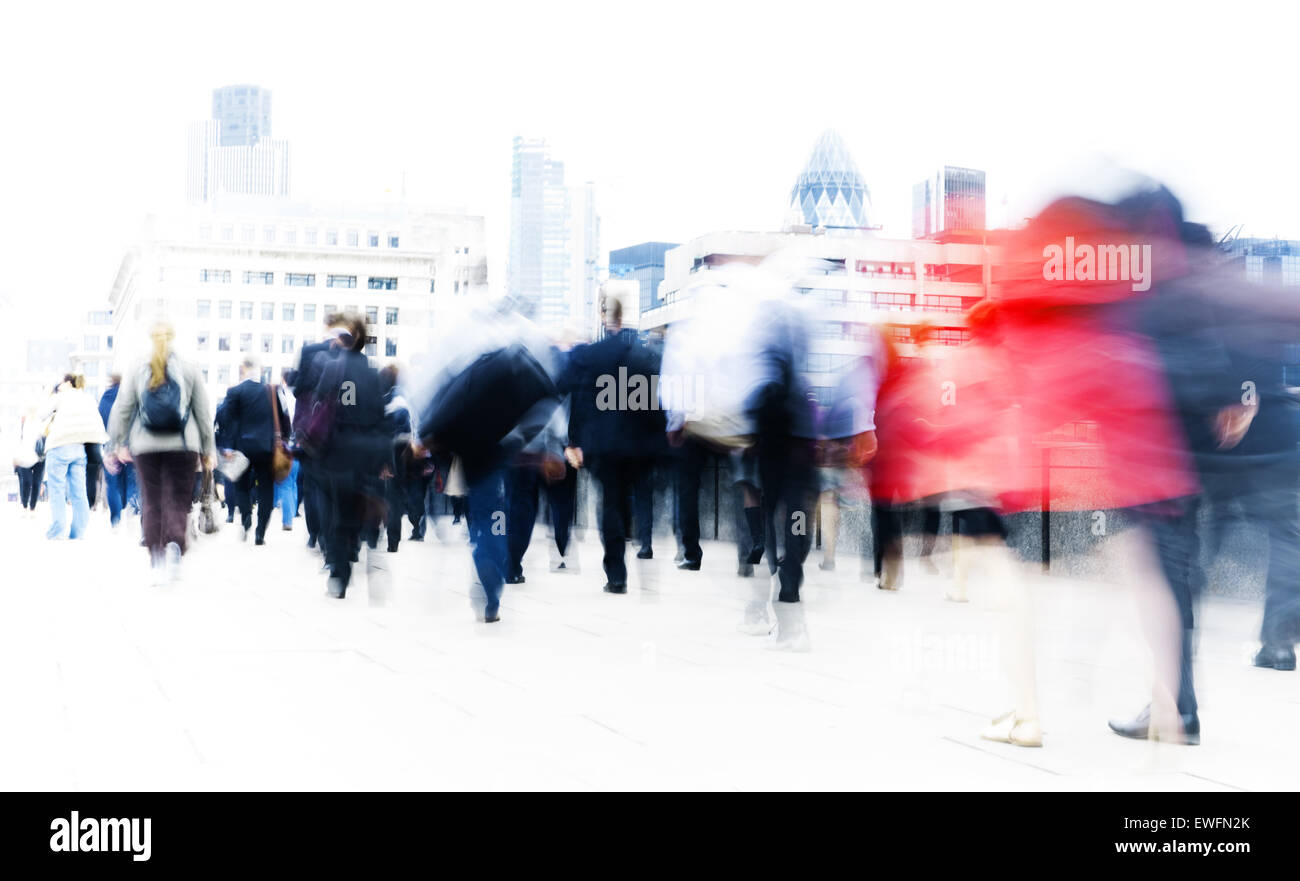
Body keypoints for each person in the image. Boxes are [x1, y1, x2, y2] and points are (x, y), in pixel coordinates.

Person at [563, 289, 667, 594]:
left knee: (611, 504)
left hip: (604, 446)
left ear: (604, 316)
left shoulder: (592, 356)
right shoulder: (644, 355)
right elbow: (652, 404)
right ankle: (640, 543)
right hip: (637, 446)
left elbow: (579, 400)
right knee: (635, 499)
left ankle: (617, 575)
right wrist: (658, 443)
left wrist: (574, 440)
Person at [108, 321, 215, 582]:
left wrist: (115, 445)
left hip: (146, 446)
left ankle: (156, 557)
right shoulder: (189, 368)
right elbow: (203, 412)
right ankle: (176, 544)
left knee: (152, 500)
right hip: (183, 444)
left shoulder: (137, 367)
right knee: (177, 500)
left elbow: (123, 407)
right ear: (173, 337)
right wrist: (207, 449)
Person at [312, 314, 388, 599]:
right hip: (368, 453)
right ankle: (359, 544)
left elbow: (339, 405)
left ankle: (340, 573)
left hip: (341, 451)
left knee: (338, 512)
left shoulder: (336, 368)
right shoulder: (373, 373)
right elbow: (382, 419)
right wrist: (384, 458)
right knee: (354, 507)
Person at [289, 312, 350, 552]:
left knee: (312, 482)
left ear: (326, 326)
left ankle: (315, 533)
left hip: (310, 426)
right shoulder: (353, 357)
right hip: (339, 428)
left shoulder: (309, 351)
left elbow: (298, 389)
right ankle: (332, 535)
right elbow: (350, 397)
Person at [217, 358, 289, 545]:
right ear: (260, 370)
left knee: (241, 486)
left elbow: (226, 420)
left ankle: (246, 518)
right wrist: (284, 440)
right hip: (266, 447)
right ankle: (260, 533)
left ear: (243, 371)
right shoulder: (273, 391)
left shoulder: (235, 391)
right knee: (266, 488)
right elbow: (284, 417)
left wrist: (229, 446)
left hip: (242, 448)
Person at [37, 373, 108, 540]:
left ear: (68, 383)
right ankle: (78, 532)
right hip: (79, 449)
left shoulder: (60, 397)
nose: (59, 385)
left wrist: (48, 394)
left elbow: (40, 414)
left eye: (60, 382)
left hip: (59, 446)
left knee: (57, 490)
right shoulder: (88, 398)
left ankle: (57, 531)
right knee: (79, 492)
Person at [98, 373, 137, 528]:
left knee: (113, 483)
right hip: (131, 445)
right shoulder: (131, 396)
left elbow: (100, 420)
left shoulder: (105, 398)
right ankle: (132, 513)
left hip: (110, 445)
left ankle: (115, 520)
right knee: (132, 480)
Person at [12, 407, 45, 518]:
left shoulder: (41, 421)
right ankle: (24, 505)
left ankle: (32, 508)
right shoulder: (21, 425)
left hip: (39, 456)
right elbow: (16, 440)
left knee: (36, 482)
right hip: (23, 457)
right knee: (26, 481)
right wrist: (15, 457)